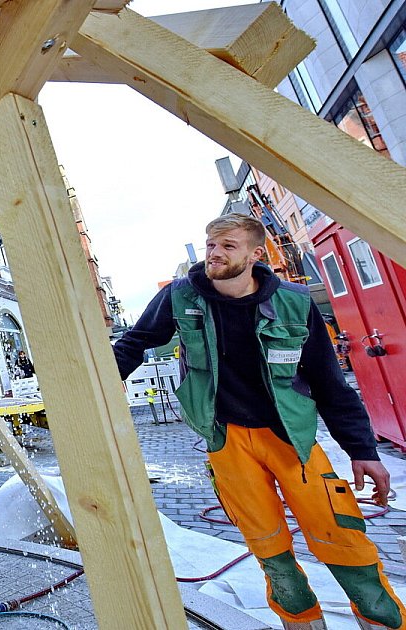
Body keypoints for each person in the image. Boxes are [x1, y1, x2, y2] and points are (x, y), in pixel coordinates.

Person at [113, 214, 403, 630]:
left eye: (228, 246)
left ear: (255, 254)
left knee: (342, 538)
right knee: (269, 548)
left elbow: (330, 383)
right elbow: (134, 343)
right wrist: (97, 383)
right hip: (227, 441)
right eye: (211, 243)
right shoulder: (181, 297)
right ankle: (302, 624)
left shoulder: (294, 302)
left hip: (291, 439)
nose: (215, 252)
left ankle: (383, 623)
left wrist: (363, 451)